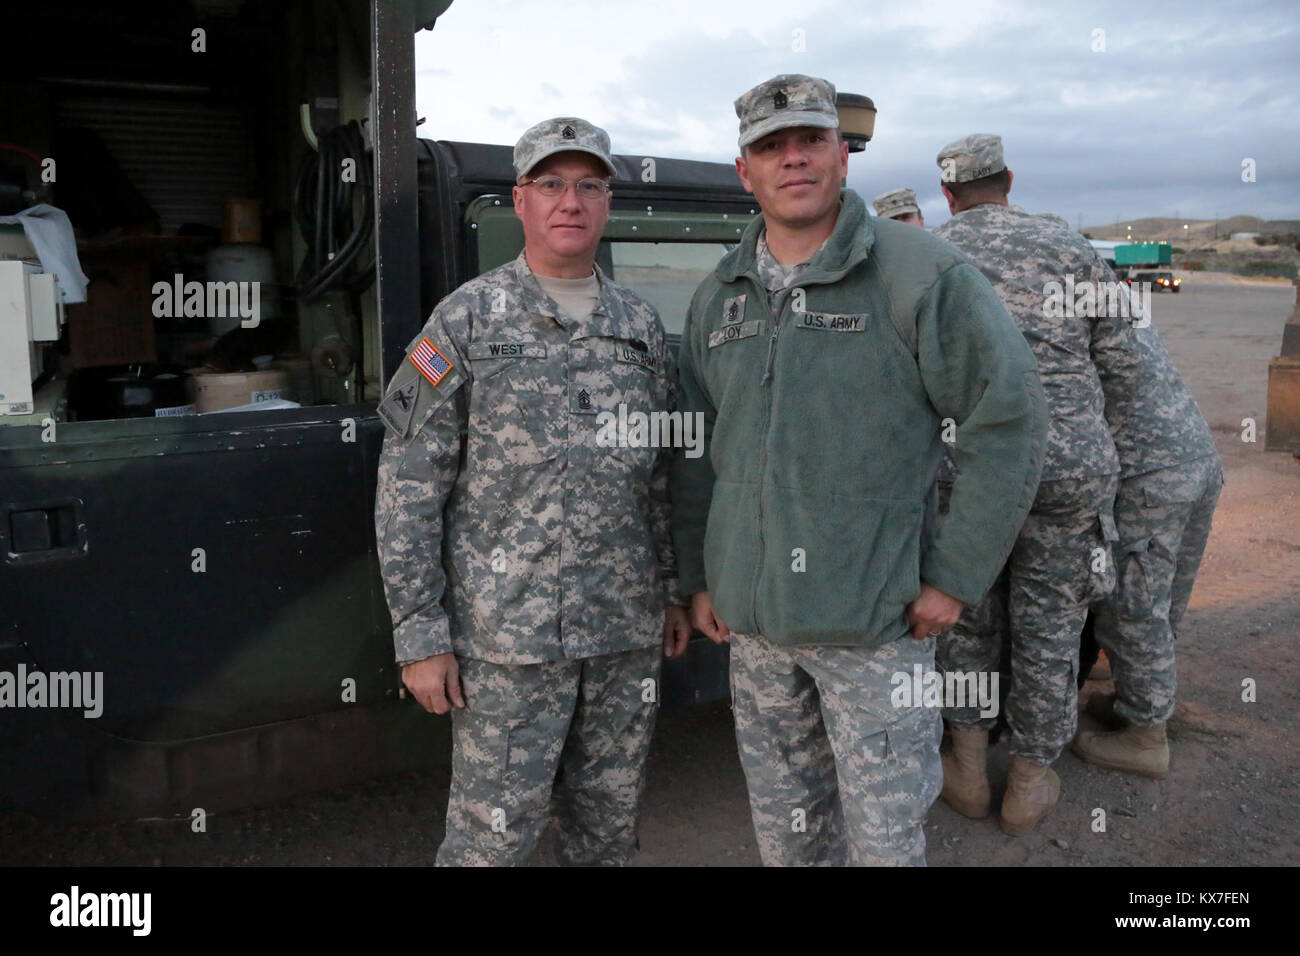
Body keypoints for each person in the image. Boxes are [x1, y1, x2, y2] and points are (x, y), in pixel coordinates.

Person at [670, 76, 1047, 866]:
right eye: (770, 147)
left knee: (883, 843)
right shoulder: (721, 296)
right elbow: (699, 443)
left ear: (842, 156)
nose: (792, 159)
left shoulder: (919, 275)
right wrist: (702, 575)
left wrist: (957, 575)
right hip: (757, 628)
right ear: (746, 172)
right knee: (788, 835)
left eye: (810, 140)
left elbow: (1006, 420)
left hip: (875, 625)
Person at [374, 116, 691, 866]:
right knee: (492, 837)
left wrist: (673, 588)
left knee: (609, 827)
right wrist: (420, 634)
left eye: (588, 185)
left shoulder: (641, 325)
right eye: (550, 184)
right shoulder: (463, 319)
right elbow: (407, 483)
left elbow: (659, 475)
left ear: (608, 202)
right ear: (520, 201)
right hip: (507, 641)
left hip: (623, 629)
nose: (569, 201)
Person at [932, 134, 1141, 834]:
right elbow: (1120, 356)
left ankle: (965, 767)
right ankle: (1028, 779)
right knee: (1051, 622)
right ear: (1009, 180)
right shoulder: (1070, 247)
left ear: (948, 194)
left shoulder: (930, 254)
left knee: (964, 614)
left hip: (967, 466)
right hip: (1066, 464)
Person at [1072, 307, 1223, 777]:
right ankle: (1135, 701)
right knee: (1163, 598)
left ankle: (1145, 737)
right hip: (1194, 458)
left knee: (1131, 607)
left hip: (1149, 475)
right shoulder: (1105, 297)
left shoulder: (1051, 307)